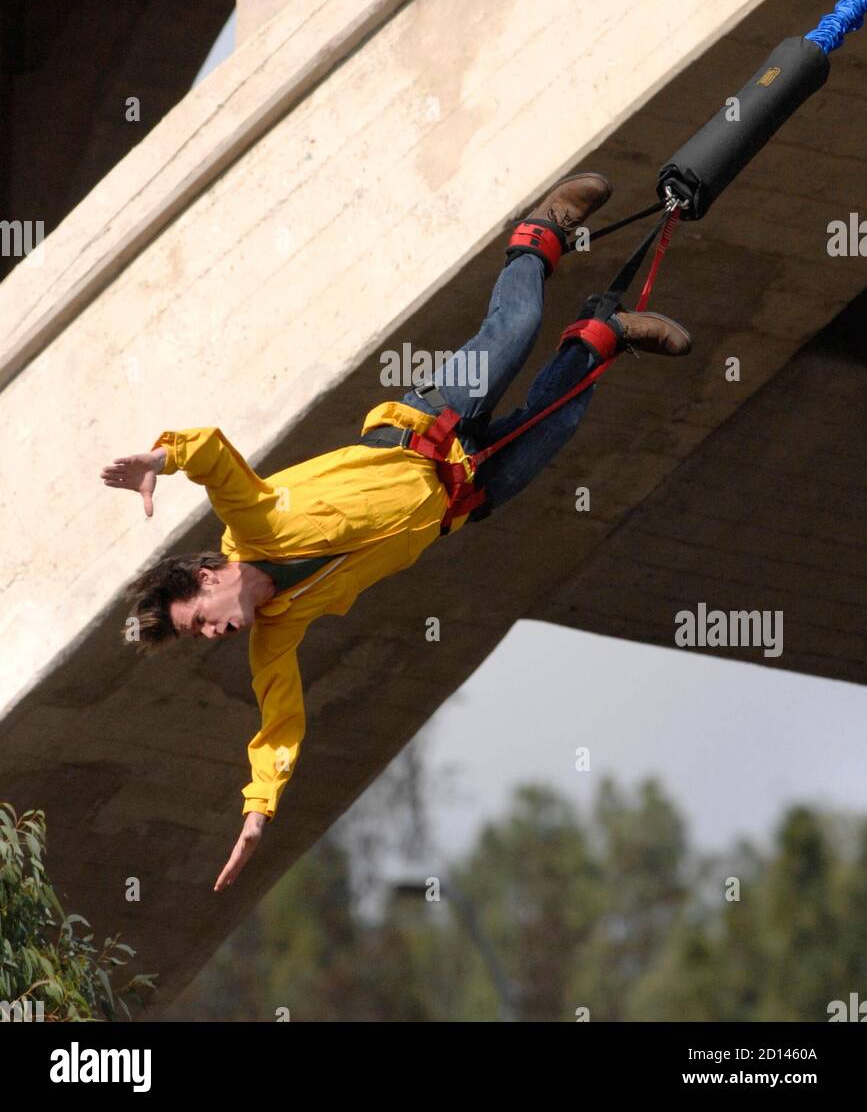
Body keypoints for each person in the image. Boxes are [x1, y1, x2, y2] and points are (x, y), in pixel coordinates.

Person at [101, 172, 690, 890]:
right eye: (200, 638)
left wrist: (159, 457)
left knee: (511, 332)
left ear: (207, 578)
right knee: (559, 413)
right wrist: (258, 810)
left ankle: (542, 231)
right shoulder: (276, 634)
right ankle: (608, 333)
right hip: (461, 497)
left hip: (428, 424)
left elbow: (215, 456)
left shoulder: (252, 526)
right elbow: (279, 725)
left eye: (200, 622)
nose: (213, 636)